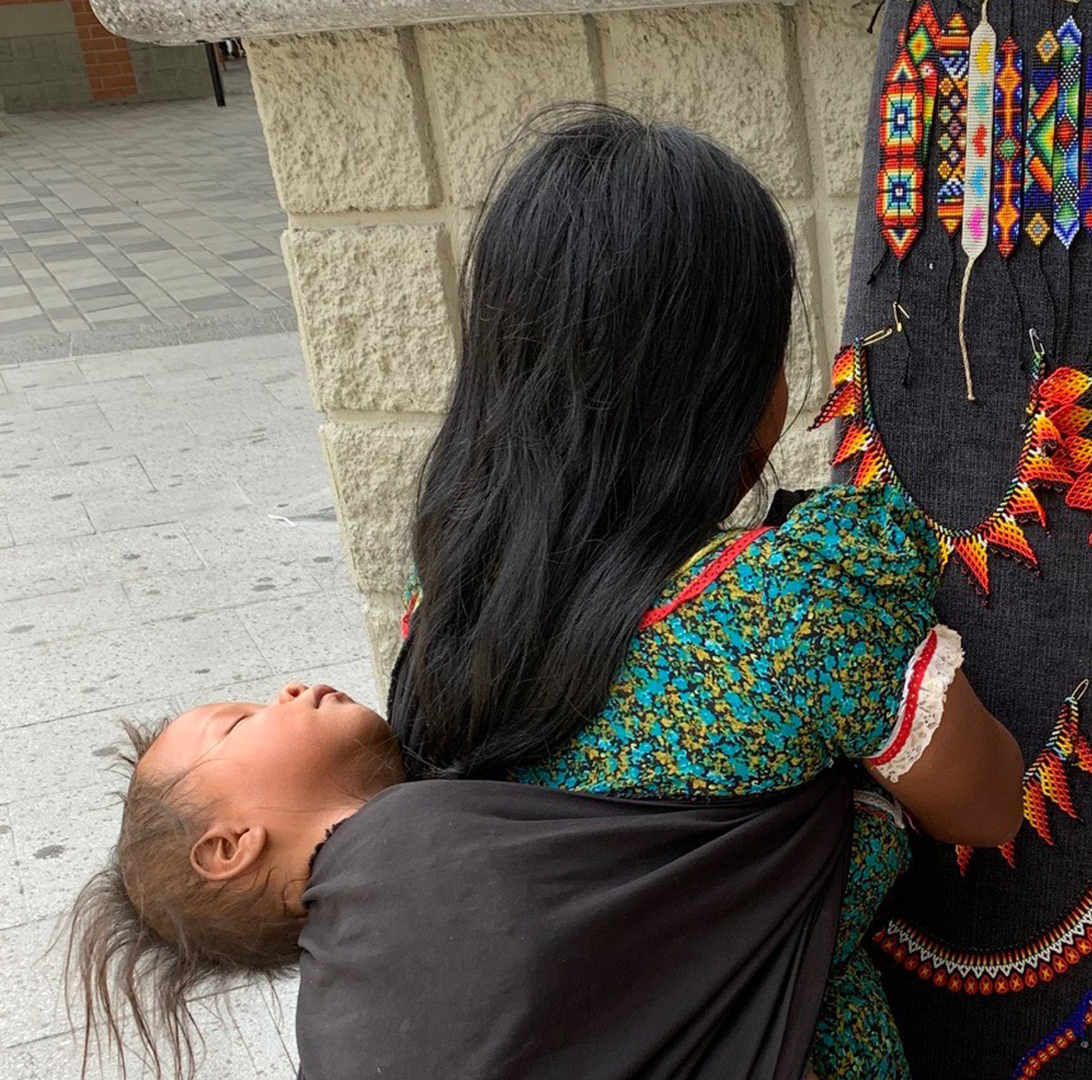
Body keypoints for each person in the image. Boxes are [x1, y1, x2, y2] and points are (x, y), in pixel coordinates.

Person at [66, 104, 1026, 1080]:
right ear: (714, 387)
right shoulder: (799, 602)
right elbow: (990, 805)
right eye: (768, 342)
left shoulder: (446, 604)